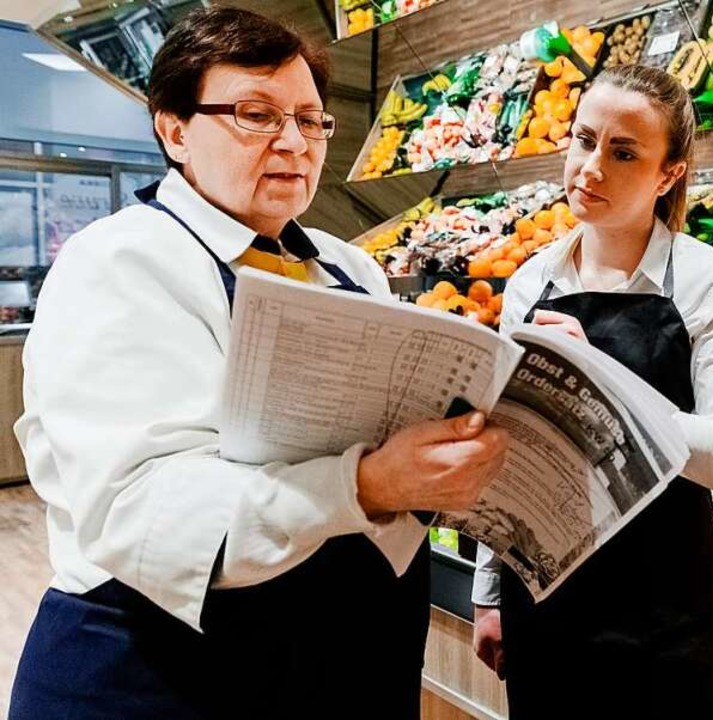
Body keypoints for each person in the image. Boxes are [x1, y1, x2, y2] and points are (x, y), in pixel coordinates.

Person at [10, 7, 508, 718]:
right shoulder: (119, 263)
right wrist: (364, 485)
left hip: (346, 656)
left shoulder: (352, 268)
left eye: (311, 120)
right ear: (174, 129)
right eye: (256, 113)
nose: (294, 142)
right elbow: (146, 509)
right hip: (162, 667)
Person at [470, 64, 713, 718]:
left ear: (668, 175)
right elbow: (510, 453)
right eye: (583, 139)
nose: (590, 167)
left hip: (667, 610)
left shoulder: (706, 281)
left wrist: (601, 378)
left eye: (623, 152)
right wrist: (488, 592)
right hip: (545, 604)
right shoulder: (529, 283)